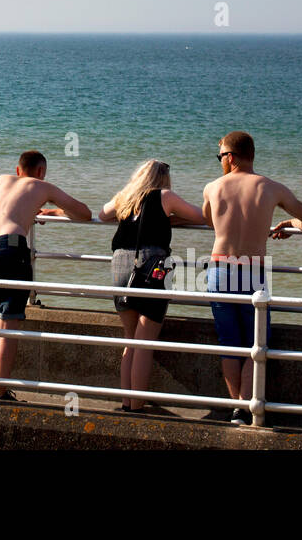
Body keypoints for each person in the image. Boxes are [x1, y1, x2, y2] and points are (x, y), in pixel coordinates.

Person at [202, 131, 302, 424]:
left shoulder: (212, 188)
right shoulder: (271, 188)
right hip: (252, 272)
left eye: (220, 157)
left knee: (229, 342)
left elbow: (208, 220)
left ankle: (238, 409)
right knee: (258, 342)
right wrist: (289, 223)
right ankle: (247, 406)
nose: (220, 163)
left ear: (230, 157)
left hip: (219, 270)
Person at [0, 150, 91, 401]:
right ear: (40, 172)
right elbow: (84, 212)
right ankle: (0, 392)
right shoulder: (41, 185)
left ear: (17, 170)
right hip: (12, 247)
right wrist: (51, 211)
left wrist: (25, 211)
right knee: (9, 324)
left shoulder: (0, 180)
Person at [100, 159, 206, 413]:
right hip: (154, 264)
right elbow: (204, 216)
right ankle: (137, 406)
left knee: (131, 340)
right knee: (145, 342)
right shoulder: (164, 196)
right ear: (163, 179)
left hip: (120, 263)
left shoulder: (125, 197)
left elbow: (104, 215)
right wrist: (171, 220)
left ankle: (127, 403)